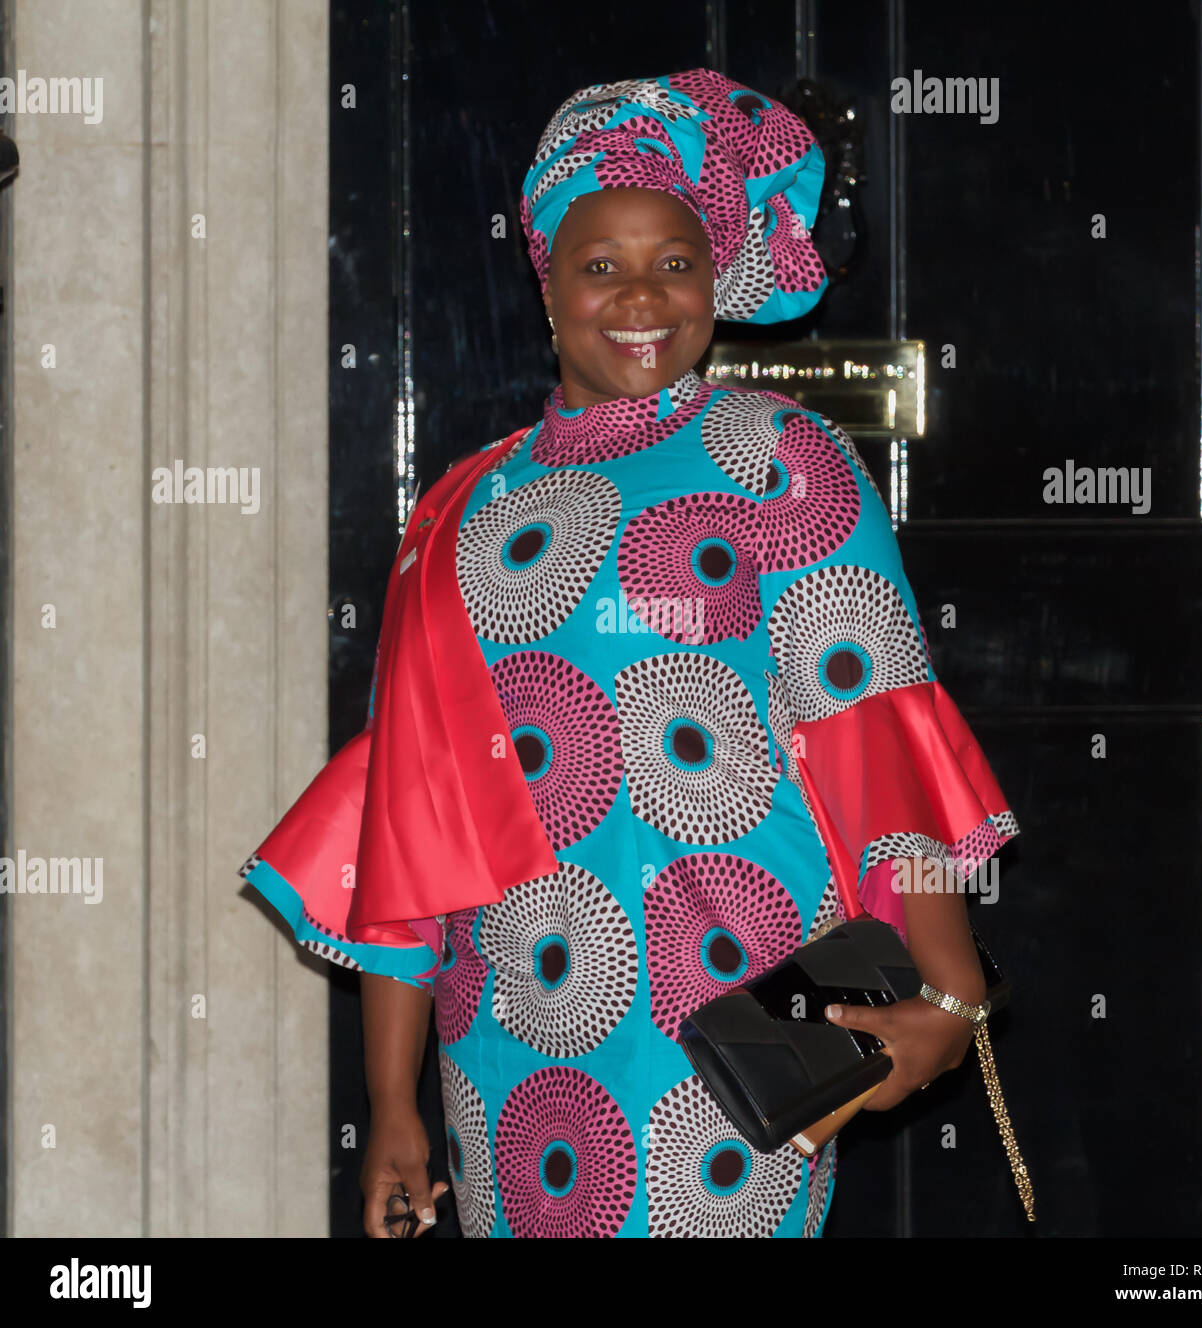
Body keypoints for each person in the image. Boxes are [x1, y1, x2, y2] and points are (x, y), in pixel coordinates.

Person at [241, 68, 1020, 1239]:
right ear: (546, 284)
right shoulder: (466, 511)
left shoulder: (782, 460)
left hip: (740, 1033)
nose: (641, 296)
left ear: (715, 279)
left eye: (676, 261)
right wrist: (392, 1104)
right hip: (506, 1045)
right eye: (599, 264)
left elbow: (875, 733)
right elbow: (408, 824)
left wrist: (949, 994)